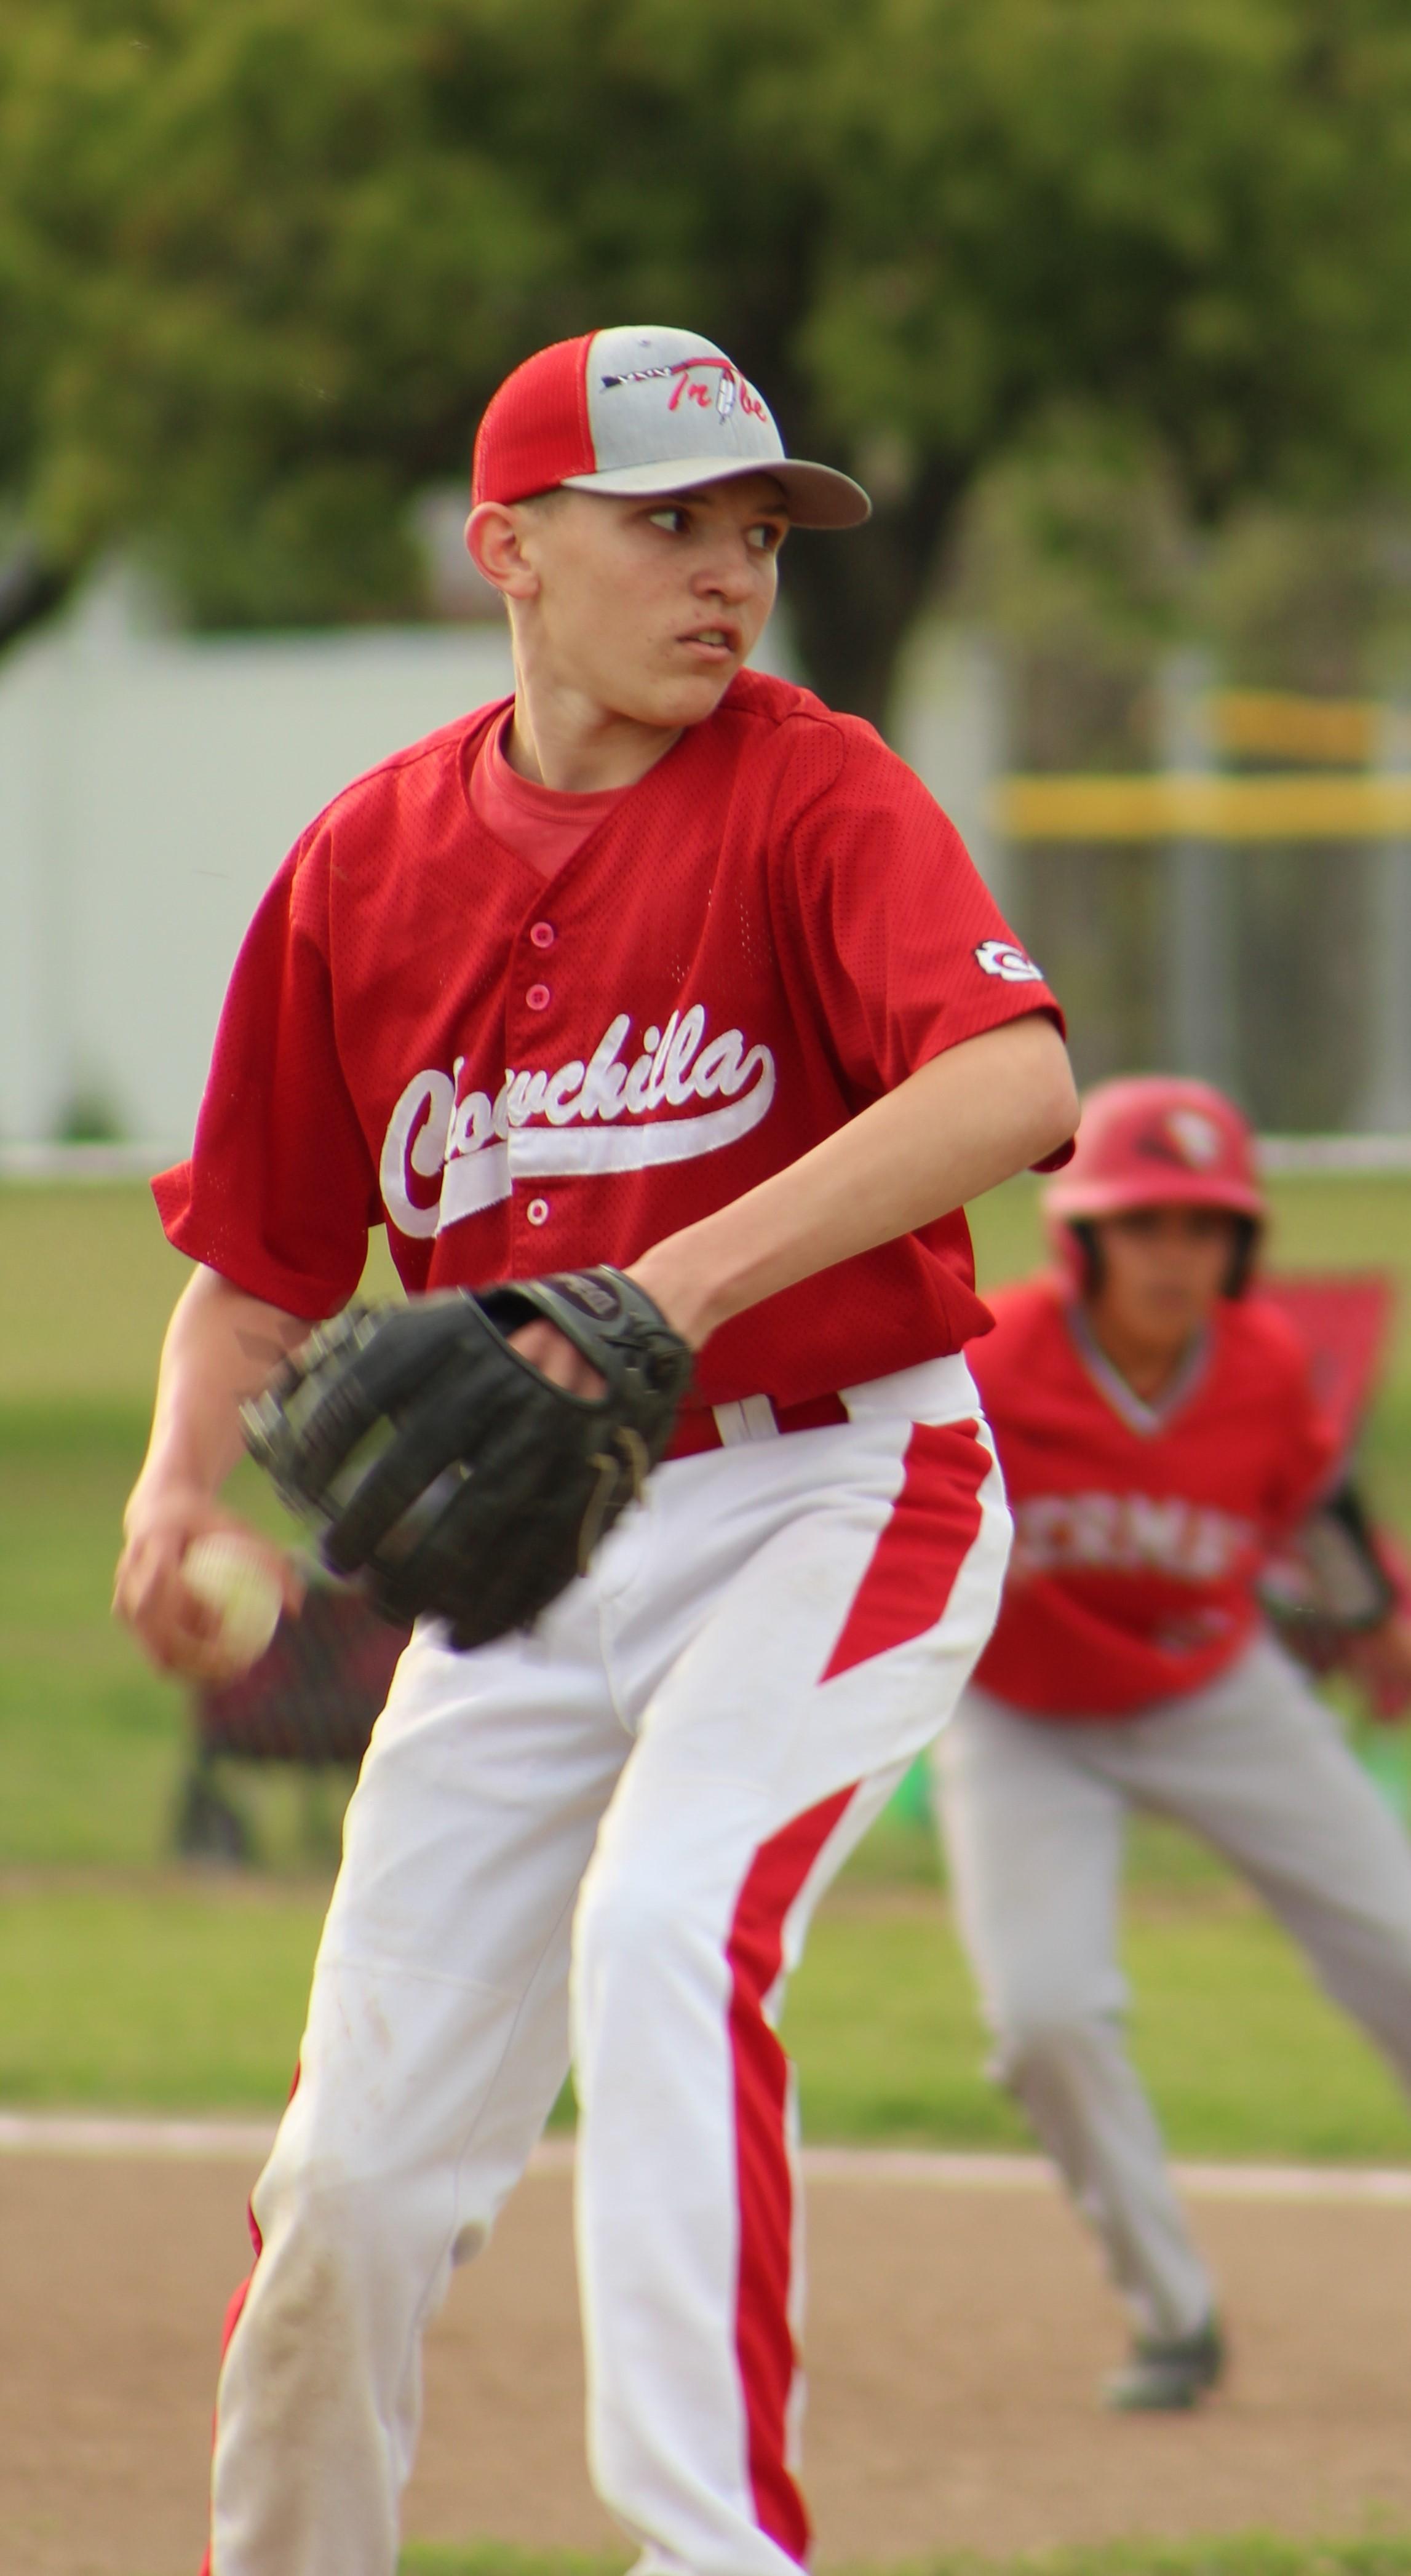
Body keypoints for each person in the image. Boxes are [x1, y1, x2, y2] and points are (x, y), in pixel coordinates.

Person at [113, 322, 1076, 2576]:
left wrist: (670, 1289)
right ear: (508, 551)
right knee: (348, 2179)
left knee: (665, 1921)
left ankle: (712, 2554)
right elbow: (258, 1253)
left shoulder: (812, 787)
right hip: (524, 1555)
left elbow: (1013, 1086)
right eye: (665, 523)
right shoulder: (362, 865)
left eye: (751, 527)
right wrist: (172, 1482)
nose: (725, 570)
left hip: (841, 1487)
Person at [932, 1073, 1411, 2412]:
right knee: (1045, 2020)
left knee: (1399, 1948)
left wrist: (1379, 1628)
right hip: (1024, 1717)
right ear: (1082, 1237)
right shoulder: (993, 1358)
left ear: (1239, 1248)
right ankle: (1173, 2315)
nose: (1175, 1255)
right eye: (1146, 1225)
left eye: (1203, 1229)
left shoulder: (1258, 1363)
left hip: (1215, 1692)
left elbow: (1314, 1505)